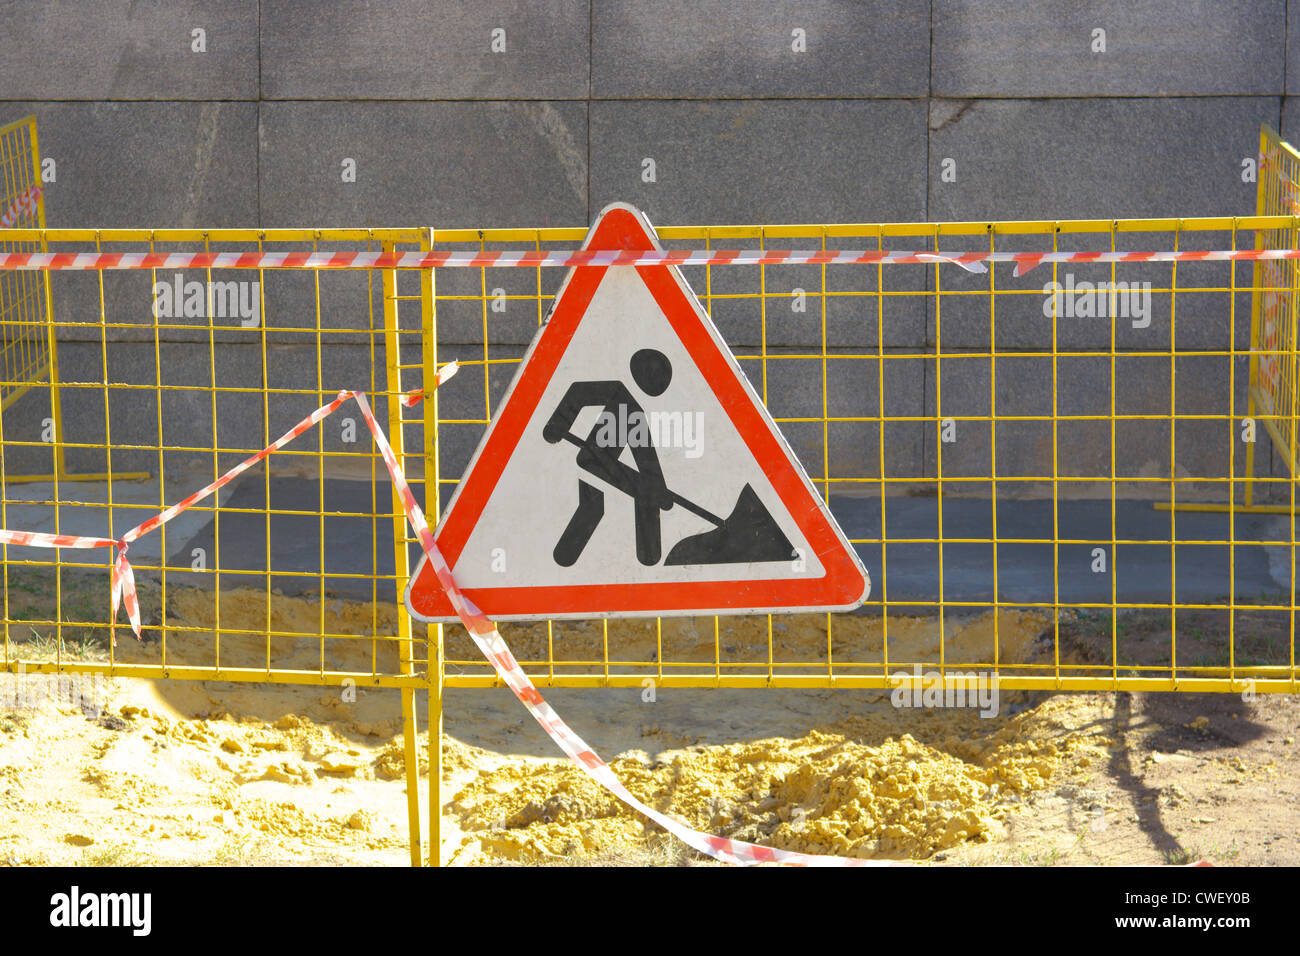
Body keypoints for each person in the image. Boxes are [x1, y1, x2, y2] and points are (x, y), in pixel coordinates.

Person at [542, 349, 675, 566]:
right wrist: (557, 425)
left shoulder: (634, 413)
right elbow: (578, 393)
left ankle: (649, 559)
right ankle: (564, 558)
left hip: (600, 462)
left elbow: (645, 456)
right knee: (595, 506)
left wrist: (658, 489)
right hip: (592, 458)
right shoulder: (619, 394)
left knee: (633, 496)